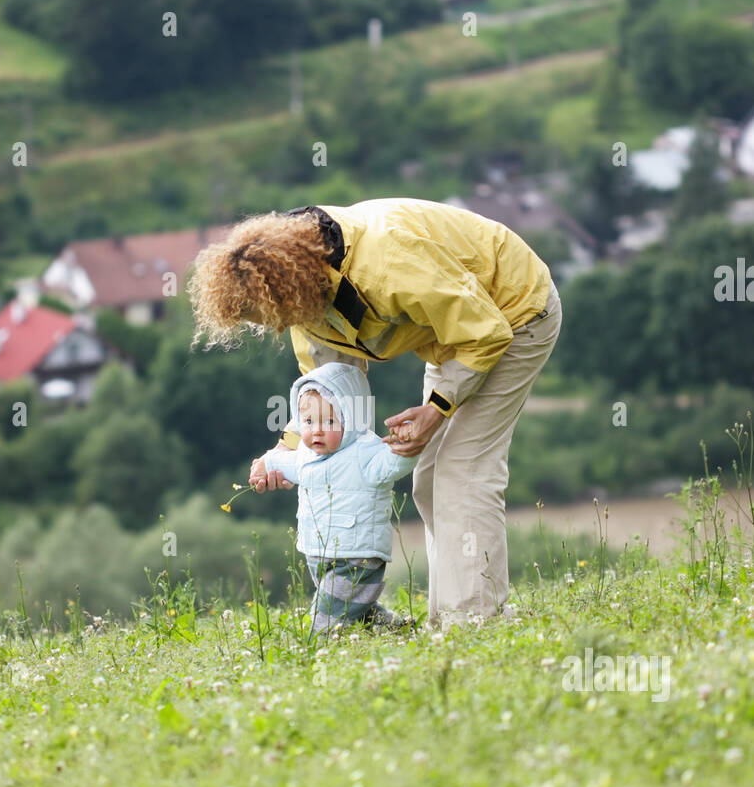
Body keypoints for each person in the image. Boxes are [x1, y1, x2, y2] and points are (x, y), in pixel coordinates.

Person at [189, 196, 562, 628]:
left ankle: (477, 620)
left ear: (280, 287)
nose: (271, 326)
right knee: (428, 480)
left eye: (264, 314)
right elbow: (329, 387)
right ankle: (450, 617)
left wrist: (437, 409)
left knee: (464, 472)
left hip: (514, 315)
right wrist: (285, 450)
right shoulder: (305, 298)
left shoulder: (386, 266)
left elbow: (485, 331)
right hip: (457, 336)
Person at [258, 362, 415, 637]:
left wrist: (407, 445)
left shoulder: (367, 451)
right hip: (319, 552)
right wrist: (266, 463)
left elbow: (395, 463)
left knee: (326, 622)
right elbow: (283, 462)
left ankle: (315, 652)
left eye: (329, 421)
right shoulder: (306, 455)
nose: (316, 431)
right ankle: (388, 626)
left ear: (351, 419)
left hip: (357, 556)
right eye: (308, 422)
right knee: (351, 608)